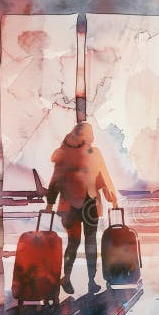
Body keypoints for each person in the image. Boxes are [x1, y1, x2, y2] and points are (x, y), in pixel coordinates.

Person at [44, 121, 118, 295]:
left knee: (85, 243)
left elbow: (103, 177)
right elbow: (56, 180)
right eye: (88, 133)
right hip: (75, 205)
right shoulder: (67, 153)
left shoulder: (89, 152)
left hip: (86, 203)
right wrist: (50, 203)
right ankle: (71, 278)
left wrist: (112, 197)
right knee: (79, 243)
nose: (91, 137)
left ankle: (89, 280)